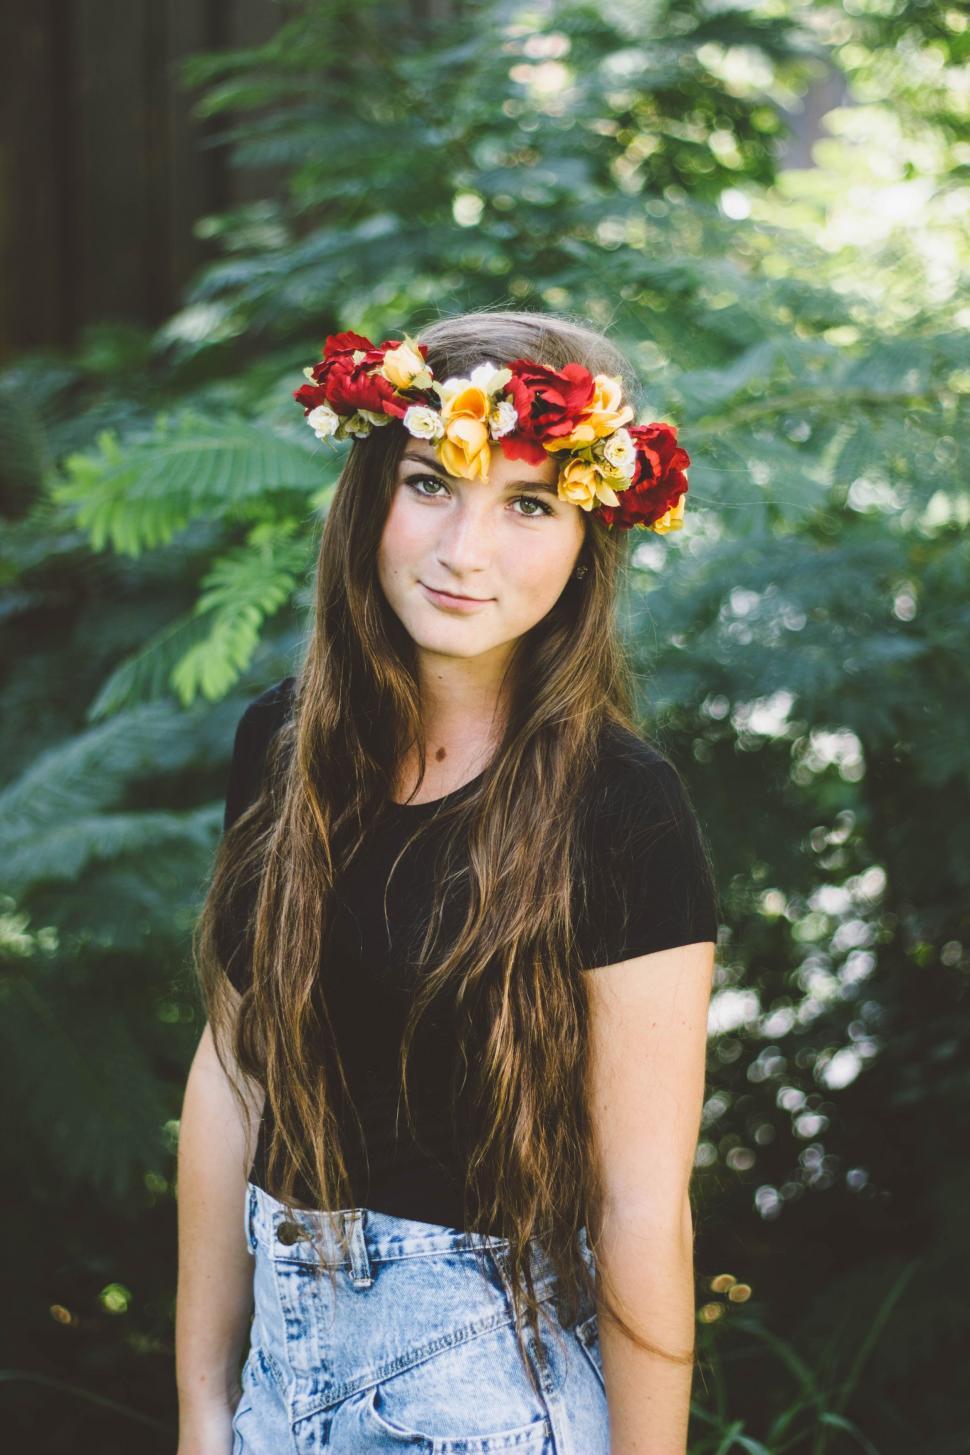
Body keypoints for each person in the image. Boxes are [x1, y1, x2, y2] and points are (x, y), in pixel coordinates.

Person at [175, 308, 719, 1454]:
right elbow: (232, 1071)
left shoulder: (620, 809)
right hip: (282, 1383)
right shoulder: (280, 744)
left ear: (589, 540)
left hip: (484, 1396)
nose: (464, 550)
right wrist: (201, 1410)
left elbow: (639, 1206)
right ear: (371, 491)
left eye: (529, 504)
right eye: (432, 484)